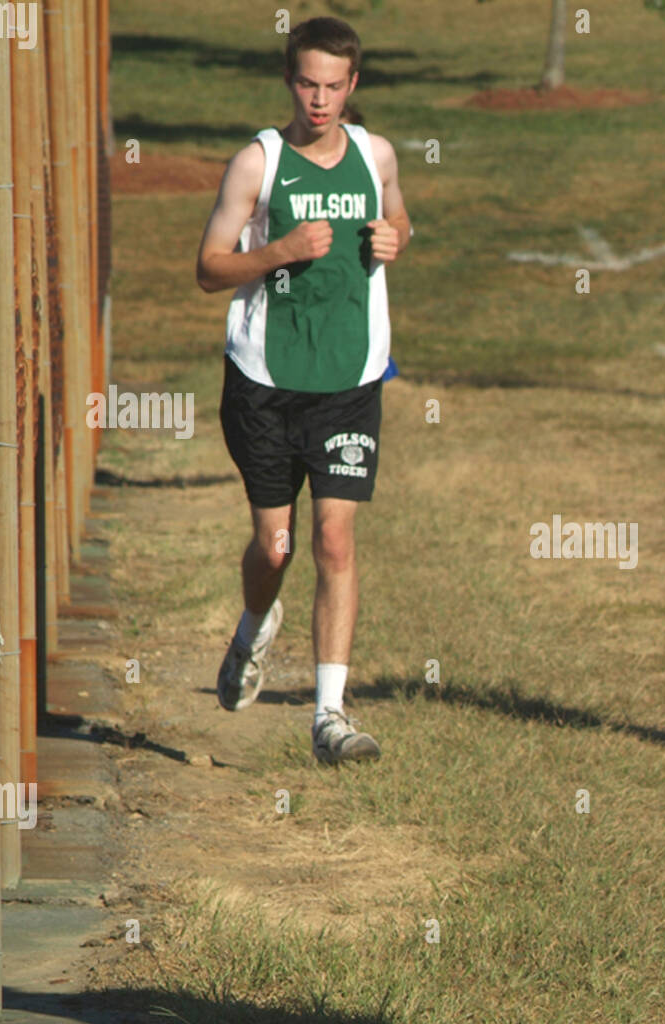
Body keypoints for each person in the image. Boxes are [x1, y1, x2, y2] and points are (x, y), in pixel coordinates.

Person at [195, 16, 411, 763]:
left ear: (353, 87)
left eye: (334, 87)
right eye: (308, 85)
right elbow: (208, 267)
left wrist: (396, 238)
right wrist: (278, 251)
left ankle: (328, 716)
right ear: (291, 83)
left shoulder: (374, 154)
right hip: (265, 381)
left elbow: (399, 220)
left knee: (335, 540)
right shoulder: (258, 163)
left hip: (350, 382)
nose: (320, 100)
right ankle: (254, 627)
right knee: (276, 544)